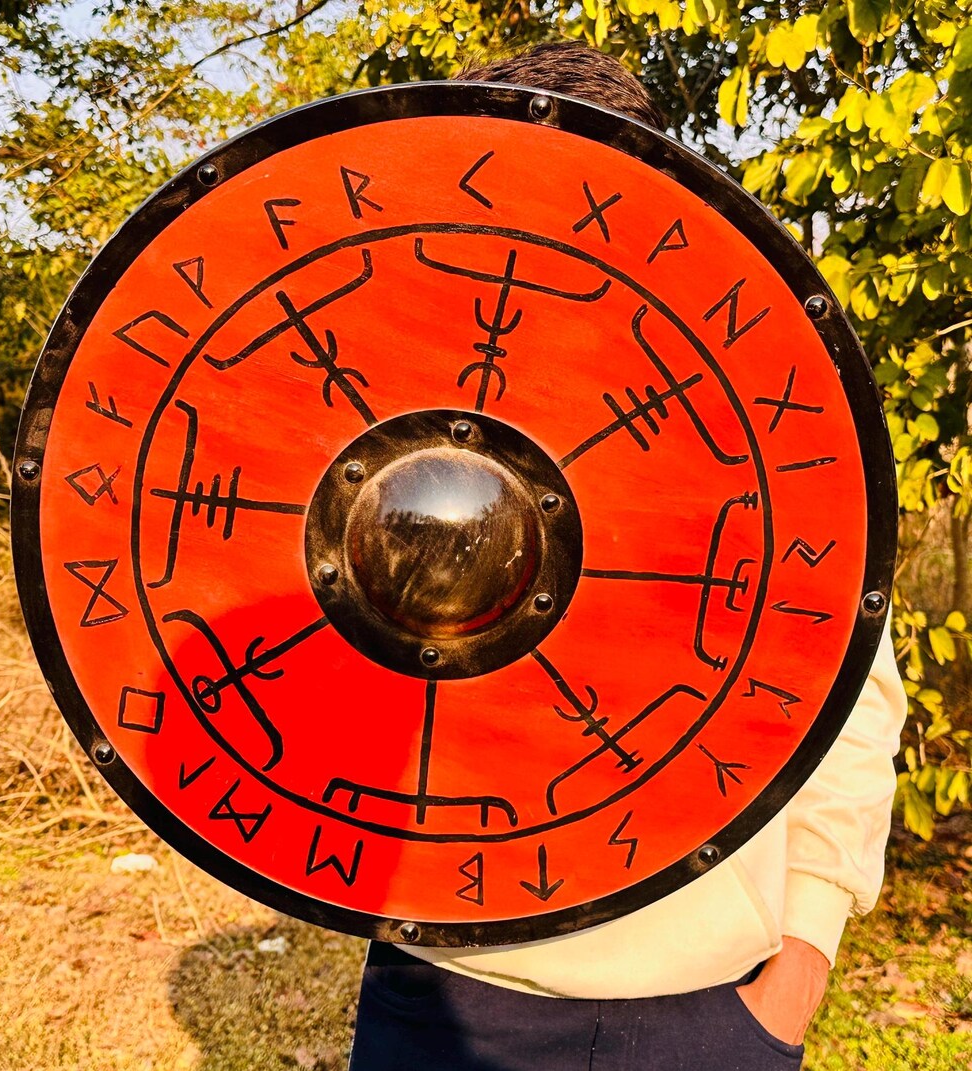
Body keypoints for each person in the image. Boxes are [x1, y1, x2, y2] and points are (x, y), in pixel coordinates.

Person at [347, 41, 907, 1071]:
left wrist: (796, 974)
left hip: (707, 1008)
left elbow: (851, 690)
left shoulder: (752, 410)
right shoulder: (398, 418)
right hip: (447, 986)